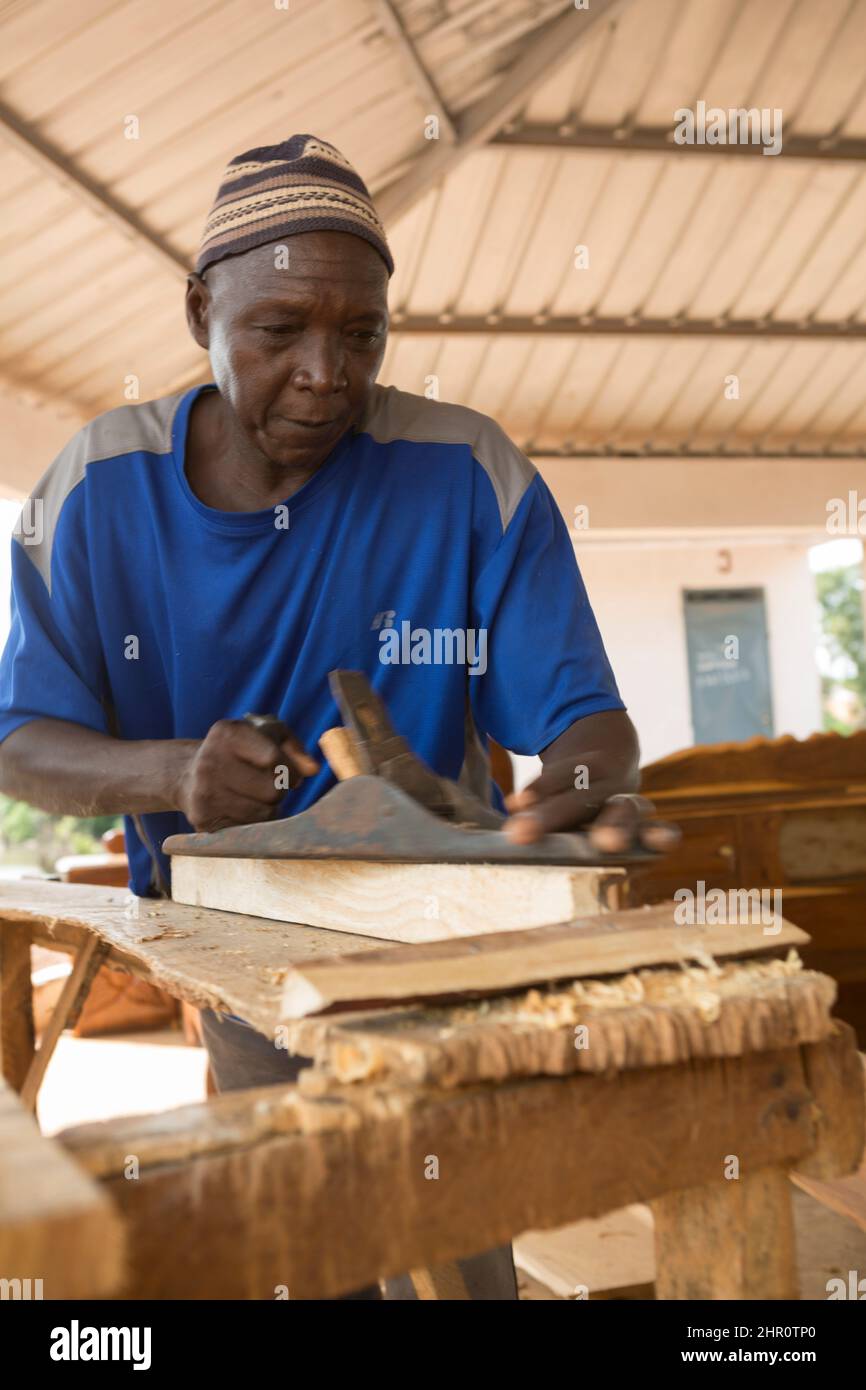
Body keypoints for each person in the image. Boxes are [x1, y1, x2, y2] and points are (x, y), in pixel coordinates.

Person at [0, 135, 671, 1299]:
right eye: (278, 331)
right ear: (200, 309)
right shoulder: (92, 489)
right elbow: (19, 740)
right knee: (306, 1249)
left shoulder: (463, 471)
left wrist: (546, 819)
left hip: (438, 950)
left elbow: (588, 728)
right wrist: (174, 773)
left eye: (360, 333)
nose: (326, 373)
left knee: (450, 1251)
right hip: (238, 950)